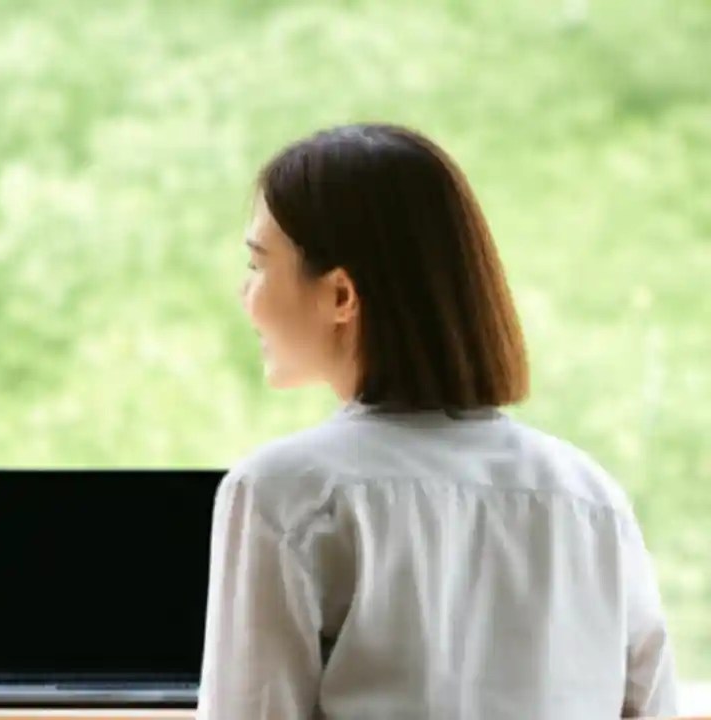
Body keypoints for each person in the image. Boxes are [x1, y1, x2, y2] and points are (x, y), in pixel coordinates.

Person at [198, 124, 677, 719]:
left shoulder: (284, 494)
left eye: (258, 263)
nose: (247, 293)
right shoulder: (590, 495)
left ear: (341, 295)